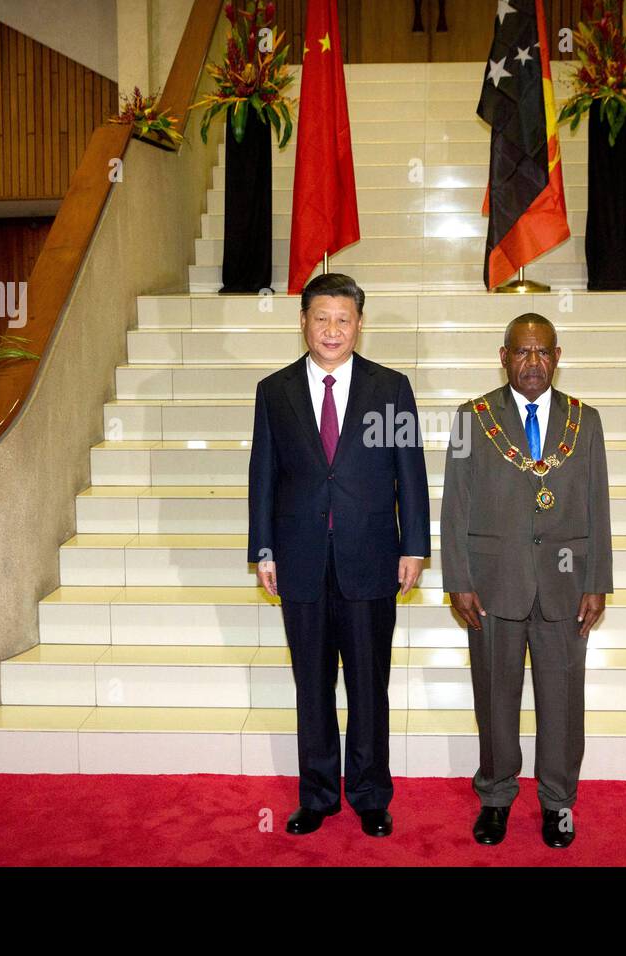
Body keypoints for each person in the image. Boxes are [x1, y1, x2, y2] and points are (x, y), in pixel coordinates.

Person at [247, 272, 430, 837]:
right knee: (313, 683)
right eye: (321, 319)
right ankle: (319, 795)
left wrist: (415, 546)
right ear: (302, 321)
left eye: (343, 320)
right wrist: (263, 548)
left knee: (370, 685)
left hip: (371, 557)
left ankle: (371, 794)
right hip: (299, 559)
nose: (332, 330)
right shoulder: (274, 391)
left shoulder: (390, 388)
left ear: (358, 324)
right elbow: (263, 475)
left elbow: (410, 472)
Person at [440, 313, 613, 848]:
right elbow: (455, 505)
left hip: (566, 585)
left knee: (563, 700)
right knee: (494, 696)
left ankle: (558, 802)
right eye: (522, 352)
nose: (532, 362)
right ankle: (495, 796)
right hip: (493, 586)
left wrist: (597, 580)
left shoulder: (586, 421)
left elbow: (597, 504)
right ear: (503, 356)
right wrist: (458, 580)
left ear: (557, 358)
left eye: (542, 353)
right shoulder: (473, 419)